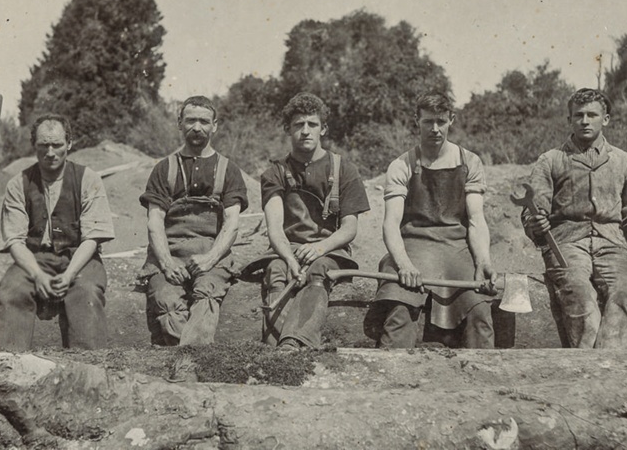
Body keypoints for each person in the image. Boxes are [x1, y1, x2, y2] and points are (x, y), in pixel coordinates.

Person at [522, 88, 627, 349]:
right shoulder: (551, 160)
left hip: (612, 244)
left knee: (625, 294)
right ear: (569, 120)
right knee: (580, 298)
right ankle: (588, 369)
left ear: (606, 119)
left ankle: (609, 368)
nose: (585, 121)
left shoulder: (622, 160)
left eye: (592, 115)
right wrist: (536, 223)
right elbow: (532, 209)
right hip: (566, 244)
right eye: (578, 115)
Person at [369, 91, 497, 349]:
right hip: (414, 246)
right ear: (416, 121)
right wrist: (403, 264)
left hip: (456, 248)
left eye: (441, 121)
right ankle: (391, 381)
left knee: (480, 313)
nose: (435, 129)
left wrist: (482, 261)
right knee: (400, 313)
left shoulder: (469, 162)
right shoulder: (402, 165)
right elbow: (391, 224)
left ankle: (482, 382)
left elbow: (476, 220)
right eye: (428, 121)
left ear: (452, 119)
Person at [243, 92, 370, 351]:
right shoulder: (275, 173)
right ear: (287, 129)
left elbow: (350, 228)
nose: (305, 131)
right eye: (298, 125)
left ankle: (295, 342)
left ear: (323, 128)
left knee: (319, 270)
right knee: (276, 271)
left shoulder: (344, 169)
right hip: (286, 248)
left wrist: (319, 248)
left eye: (312, 124)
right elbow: (275, 227)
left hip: (329, 250)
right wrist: (289, 257)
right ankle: (274, 346)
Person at [0, 113, 115, 350]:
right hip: (35, 257)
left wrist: (68, 275)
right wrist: (37, 275)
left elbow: (93, 237)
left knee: (86, 292)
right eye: (43, 145)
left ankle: (89, 367)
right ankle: (7, 366)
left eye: (57, 145)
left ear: (69, 143)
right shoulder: (19, 183)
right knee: (11, 291)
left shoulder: (88, 179)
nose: (50, 152)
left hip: (80, 257)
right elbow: (15, 241)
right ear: (33, 146)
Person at [139, 96, 248, 346]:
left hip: (212, 254)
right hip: (171, 253)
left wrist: (210, 259)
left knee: (207, 292)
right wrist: (166, 263)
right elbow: (154, 222)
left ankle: (193, 361)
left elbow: (232, 223)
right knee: (167, 301)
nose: (197, 127)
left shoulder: (228, 170)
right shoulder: (163, 169)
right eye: (190, 120)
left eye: (204, 121)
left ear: (215, 126)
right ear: (179, 123)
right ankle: (194, 359)